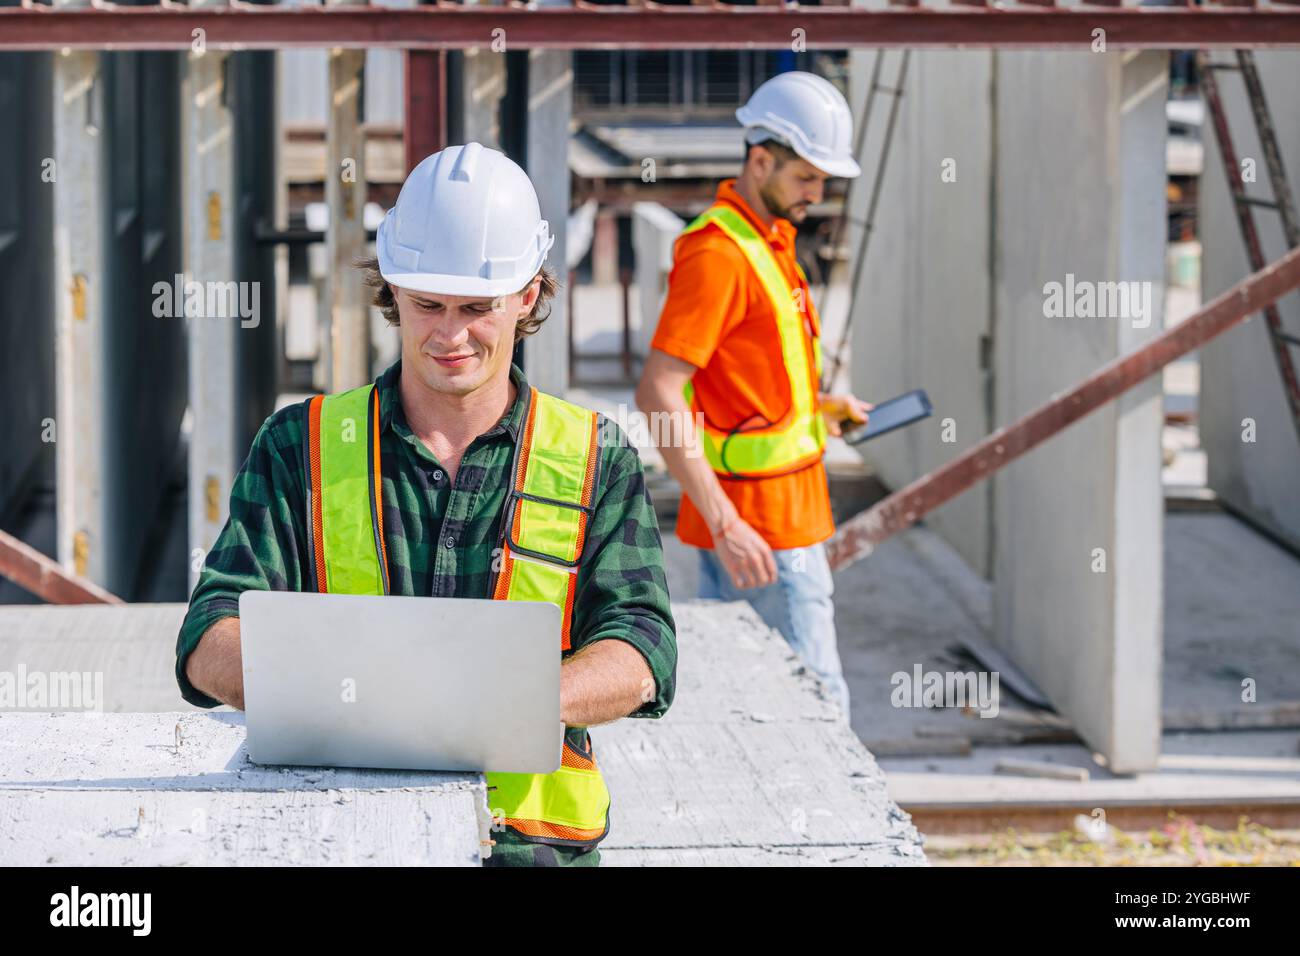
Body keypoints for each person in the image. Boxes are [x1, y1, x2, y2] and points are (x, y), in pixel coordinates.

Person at [177, 142, 677, 867]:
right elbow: (209, 632)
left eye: (477, 308)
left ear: (528, 296)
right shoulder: (300, 448)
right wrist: (347, 698)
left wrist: (504, 701)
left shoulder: (595, 456)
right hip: (342, 842)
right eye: (427, 305)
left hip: (528, 849)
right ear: (392, 289)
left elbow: (642, 645)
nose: (450, 335)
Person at [636, 72, 870, 716]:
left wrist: (818, 410)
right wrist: (726, 522)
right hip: (760, 535)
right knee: (819, 709)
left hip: (775, 522)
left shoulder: (768, 241)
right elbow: (658, 393)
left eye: (824, 180)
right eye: (806, 177)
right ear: (760, 160)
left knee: (751, 703)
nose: (817, 194)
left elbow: (746, 377)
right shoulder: (720, 256)